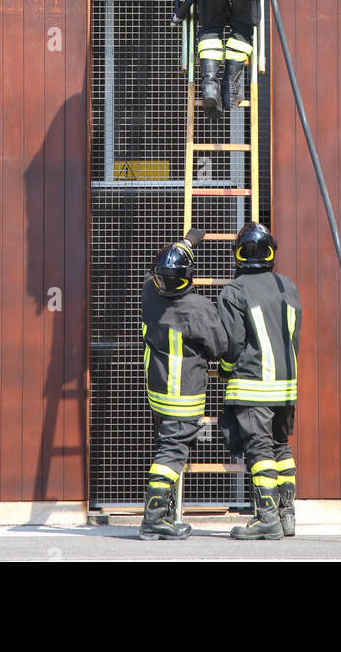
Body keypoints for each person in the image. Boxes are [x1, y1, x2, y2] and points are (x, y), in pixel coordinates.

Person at [139, 227, 228, 540]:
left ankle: (161, 514)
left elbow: (165, 265)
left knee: (164, 446)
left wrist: (187, 242)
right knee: (171, 454)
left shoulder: (150, 292)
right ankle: (154, 520)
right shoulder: (199, 308)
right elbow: (219, 348)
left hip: (156, 393)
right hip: (184, 397)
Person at [217, 222, 302, 539]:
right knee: (281, 447)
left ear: (238, 255)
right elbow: (293, 336)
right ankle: (286, 516)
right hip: (285, 388)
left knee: (260, 450)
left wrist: (225, 368)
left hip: (252, 387)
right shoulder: (287, 286)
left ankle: (266, 518)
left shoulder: (234, 291)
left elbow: (232, 344)